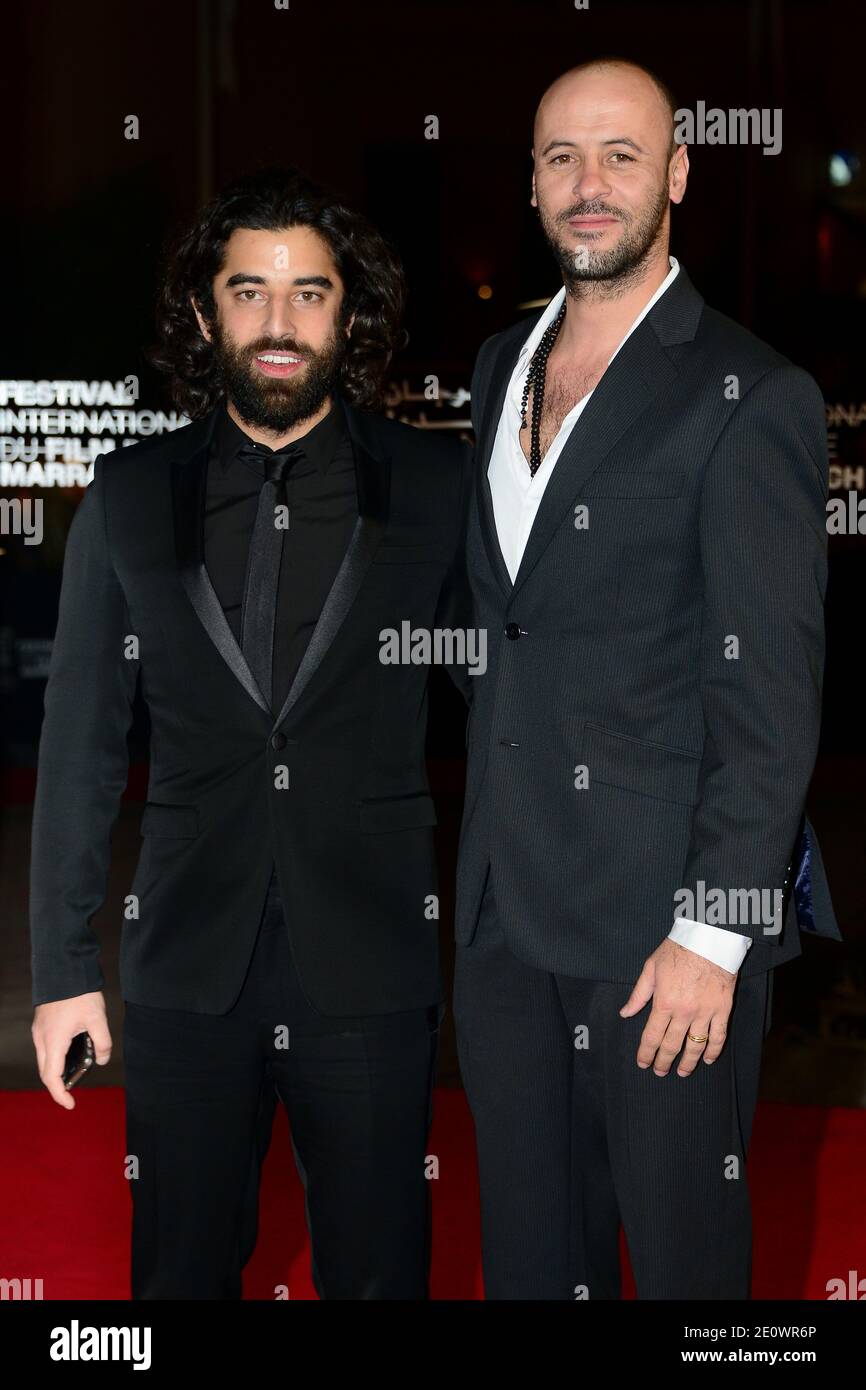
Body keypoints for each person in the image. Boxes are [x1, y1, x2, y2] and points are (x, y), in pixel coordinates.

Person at [29, 167, 470, 1300]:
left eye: (309, 293)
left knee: (379, 1275)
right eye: (250, 291)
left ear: (350, 313)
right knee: (177, 1275)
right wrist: (64, 969)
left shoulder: (432, 488)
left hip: (370, 962)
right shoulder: (127, 495)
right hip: (185, 963)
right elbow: (80, 743)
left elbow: (514, 705)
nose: (279, 323)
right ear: (204, 311)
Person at [453, 58, 842, 1300]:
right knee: (528, 1260)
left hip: (659, 937)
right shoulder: (493, 365)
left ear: (675, 174)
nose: (587, 184)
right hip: (504, 918)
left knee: (683, 1274)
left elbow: (771, 692)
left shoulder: (747, 393)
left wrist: (713, 930)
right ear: (528, 179)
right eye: (560, 156)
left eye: (621, 155)